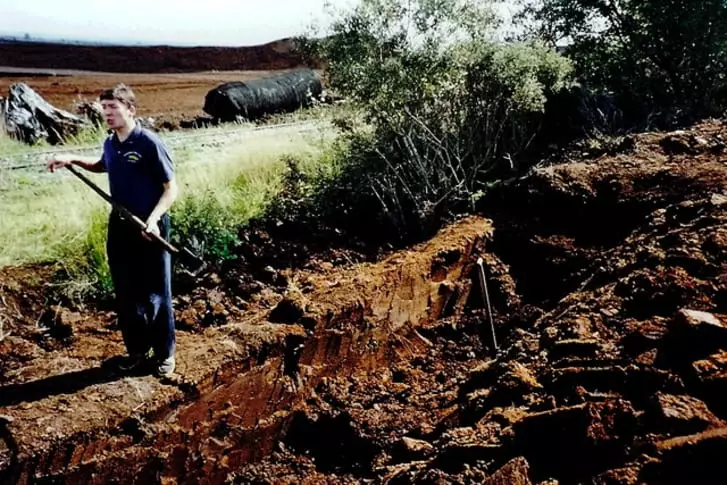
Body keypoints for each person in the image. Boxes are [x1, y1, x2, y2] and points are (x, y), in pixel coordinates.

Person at [47, 84, 179, 377]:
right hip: (120, 225)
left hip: (149, 226)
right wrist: (72, 158)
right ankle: (136, 351)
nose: (107, 113)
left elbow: (171, 190)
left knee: (156, 292)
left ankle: (164, 354)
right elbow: (102, 165)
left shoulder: (149, 143)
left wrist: (154, 219)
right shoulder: (111, 142)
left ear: (130, 110)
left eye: (113, 108)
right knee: (126, 291)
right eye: (103, 108)